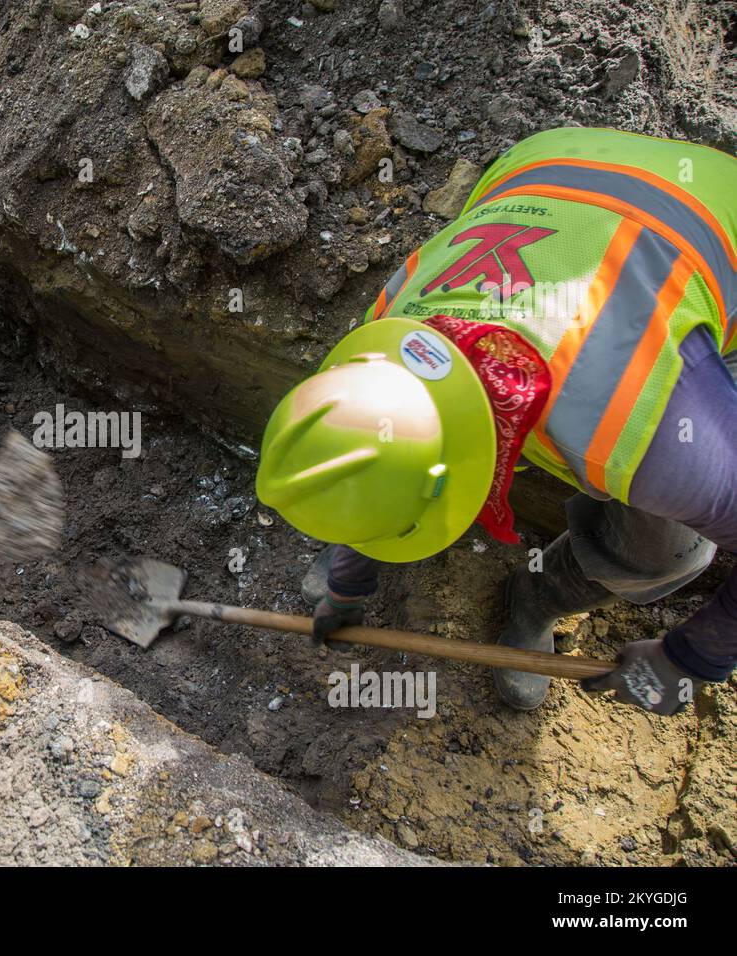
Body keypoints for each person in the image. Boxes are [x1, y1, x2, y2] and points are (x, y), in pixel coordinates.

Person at [256, 127, 737, 716]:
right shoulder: (385, 333)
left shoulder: (644, 430)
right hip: (551, 161)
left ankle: (537, 600)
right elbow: (373, 447)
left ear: (461, 474)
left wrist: (692, 656)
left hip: (716, 225)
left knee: (665, 551)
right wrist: (348, 584)